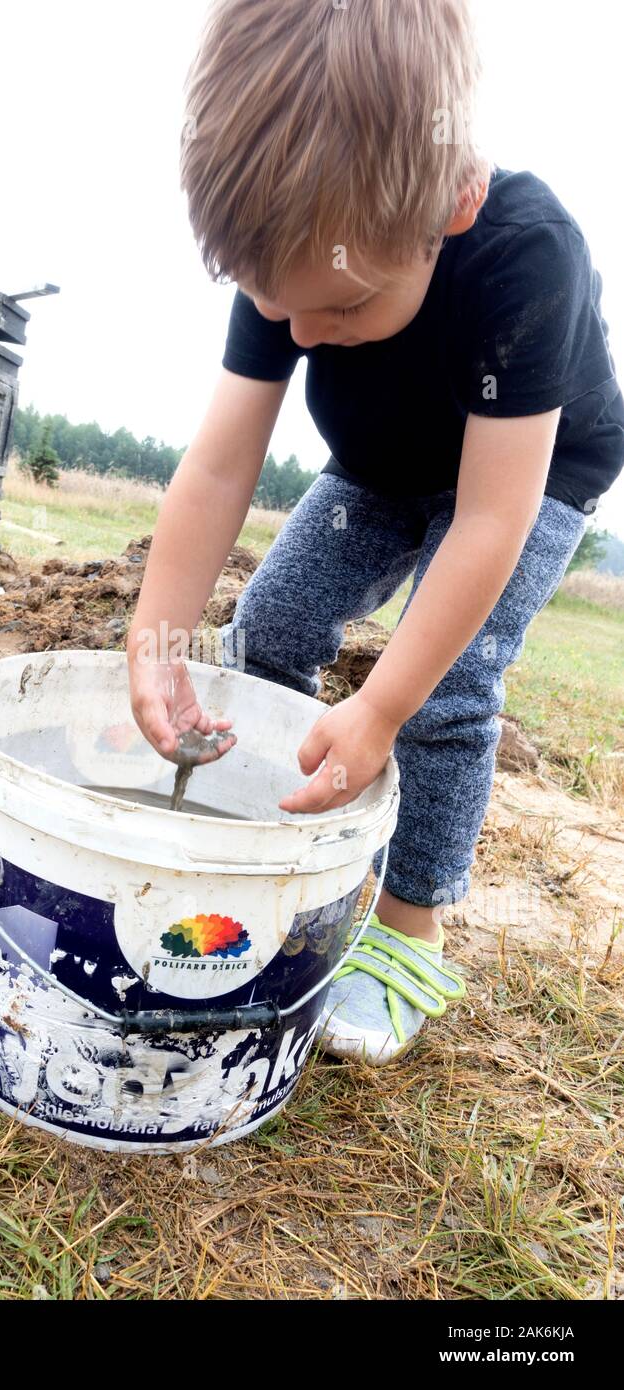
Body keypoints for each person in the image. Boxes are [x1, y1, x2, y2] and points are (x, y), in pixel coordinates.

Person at [126, 0, 624, 1064]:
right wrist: (157, 637)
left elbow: (490, 518)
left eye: (337, 313)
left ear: (452, 204)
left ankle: (407, 933)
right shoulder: (295, 235)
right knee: (272, 618)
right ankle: (287, 828)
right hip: (379, 461)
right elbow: (219, 464)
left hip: (525, 472)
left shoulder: (522, 259)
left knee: (446, 679)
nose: (302, 335)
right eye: (277, 306)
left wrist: (379, 707)